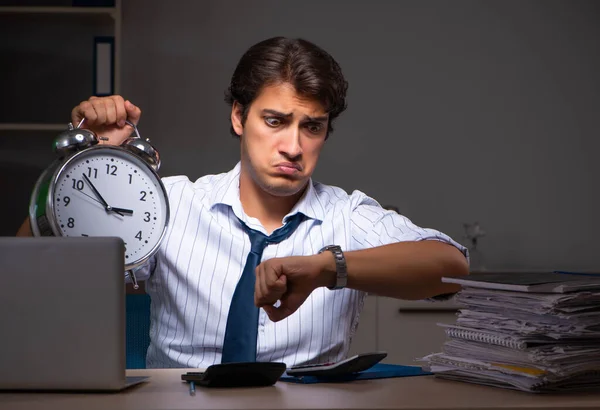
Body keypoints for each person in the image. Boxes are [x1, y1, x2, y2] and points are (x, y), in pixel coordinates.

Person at [18, 37, 469, 368]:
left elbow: (451, 269)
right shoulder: (167, 203)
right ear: (239, 116)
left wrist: (326, 269)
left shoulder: (346, 216)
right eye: (275, 120)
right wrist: (84, 166)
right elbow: (31, 272)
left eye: (311, 127)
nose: (293, 146)